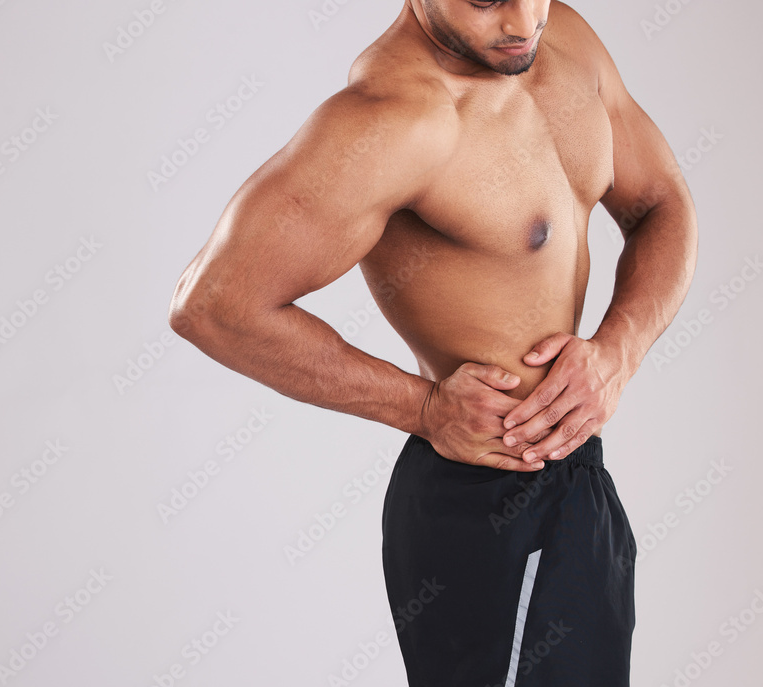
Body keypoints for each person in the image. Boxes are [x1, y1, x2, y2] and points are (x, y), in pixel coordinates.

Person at [168, 1, 697, 684]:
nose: (522, 20)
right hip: (489, 506)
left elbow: (662, 202)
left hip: (580, 488)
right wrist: (421, 408)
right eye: (484, 0)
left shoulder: (566, 40)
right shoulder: (392, 118)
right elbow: (213, 304)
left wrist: (619, 350)